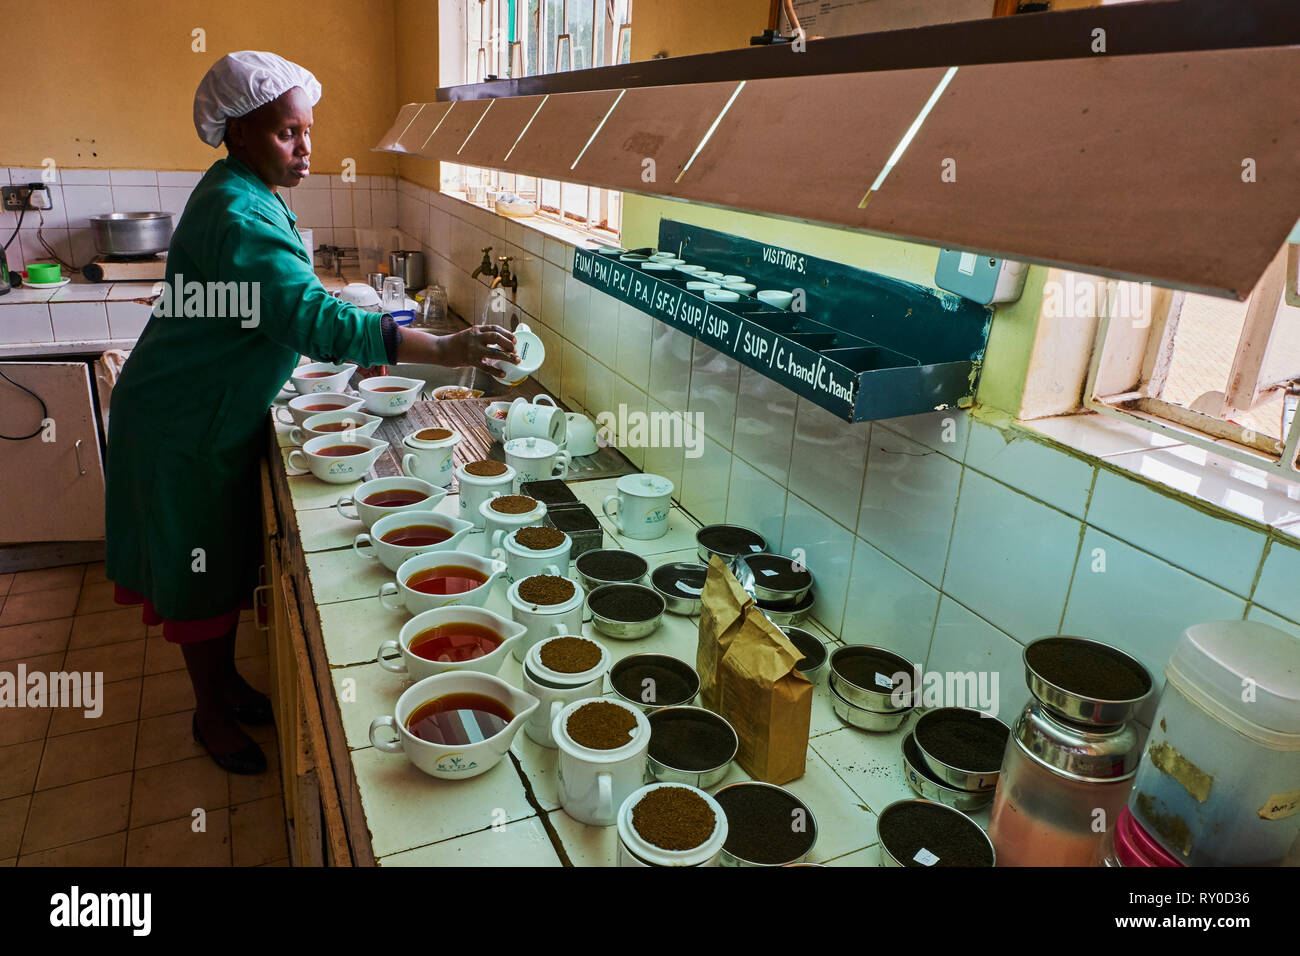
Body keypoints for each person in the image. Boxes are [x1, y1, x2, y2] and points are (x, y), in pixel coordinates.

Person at [105, 51, 518, 774]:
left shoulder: (249, 189)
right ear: (236, 132)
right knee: (198, 579)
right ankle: (210, 714)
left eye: (308, 131)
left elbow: (285, 308)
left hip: (209, 410)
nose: (305, 149)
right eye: (286, 133)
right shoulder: (237, 211)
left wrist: (379, 341)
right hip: (183, 422)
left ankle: (226, 684)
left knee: (219, 565)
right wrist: (446, 349)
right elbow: (309, 316)